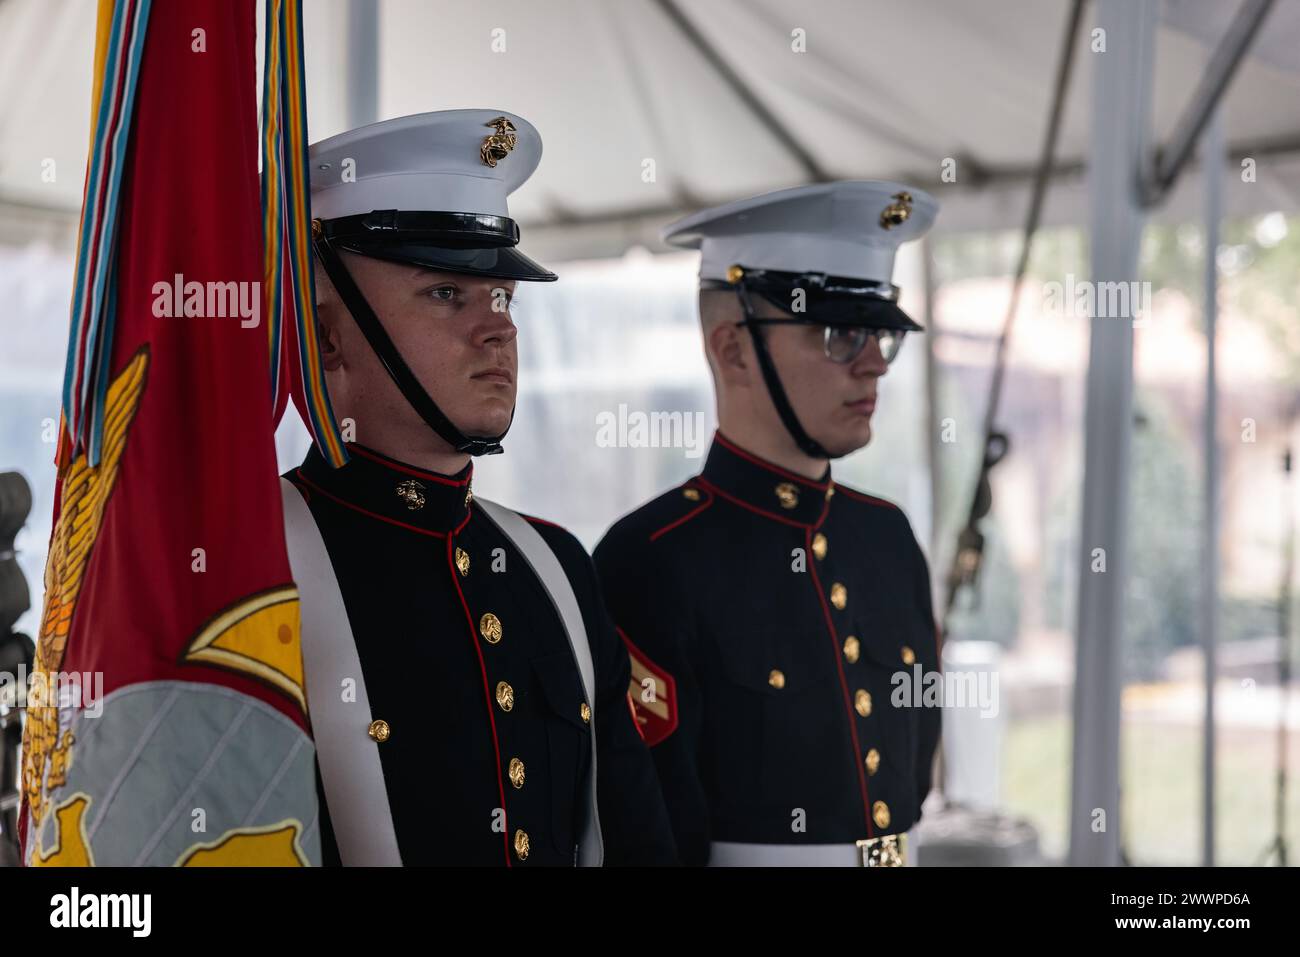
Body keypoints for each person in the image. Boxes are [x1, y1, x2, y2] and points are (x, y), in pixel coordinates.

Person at [284, 109, 675, 866]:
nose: (496, 329)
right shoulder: (260, 563)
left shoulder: (556, 566)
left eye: (502, 298)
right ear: (327, 337)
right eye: (445, 295)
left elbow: (636, 843)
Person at [594, 182, 942, 866]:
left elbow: (917, 766)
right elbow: (650, 830)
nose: (873, 361)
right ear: (733, 351)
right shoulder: (652, 558)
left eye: (879, 334)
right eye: (841, 334)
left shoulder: (887, 538)